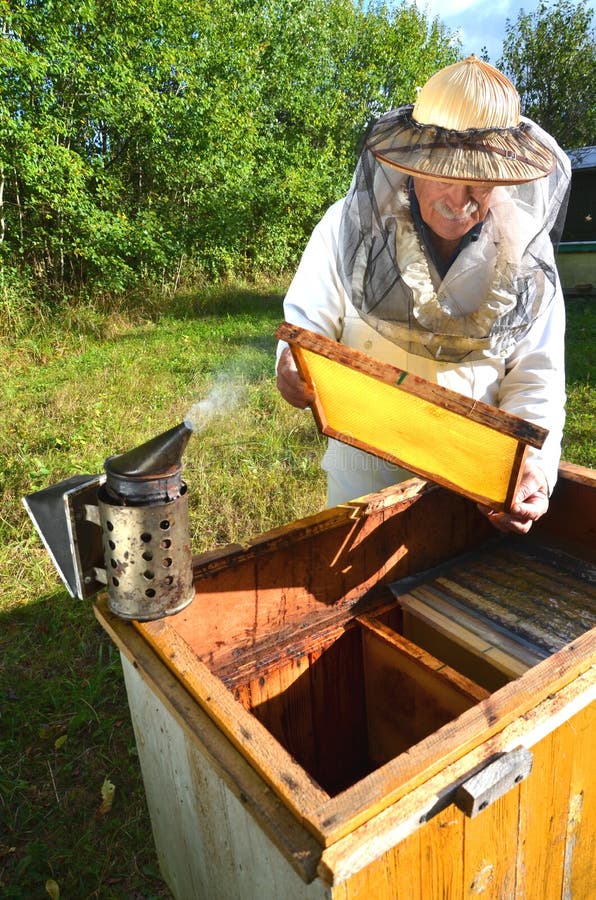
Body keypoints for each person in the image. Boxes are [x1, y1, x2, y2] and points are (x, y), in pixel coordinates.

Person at [276, 55, 571, 535]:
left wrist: (532, 470)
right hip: (362, 481)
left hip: (473, 493)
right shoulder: (346, 227)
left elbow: (536, 377)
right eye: (444, 173)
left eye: (480, 177)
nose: (460, 199)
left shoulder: (526, 257)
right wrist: (291, 364)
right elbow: (305, 328)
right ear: (411, 164)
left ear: (506, 175)